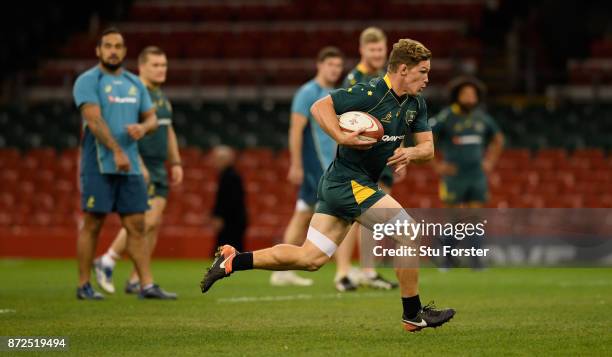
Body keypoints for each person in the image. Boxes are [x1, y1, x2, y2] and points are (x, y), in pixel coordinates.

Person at [201, 39, 455, 332]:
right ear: (402, 69)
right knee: (408, 232)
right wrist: (342, 136)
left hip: (344, 185)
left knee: (310, 258)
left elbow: (428, 150)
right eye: (422, 72)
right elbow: (320, 107)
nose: (427, 79)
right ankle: (413, 313)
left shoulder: (415, 104)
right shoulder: (368, 92)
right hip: (348, 182)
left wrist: (409, 152)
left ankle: (234, 261)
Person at [73, 28, 174, 299]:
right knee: (93, 223)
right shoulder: (88, 81)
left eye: (118, 46)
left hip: (129, 167)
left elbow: (153, 119)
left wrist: (144, 127)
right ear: (98, 50)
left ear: (125, 51)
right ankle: (84, 284)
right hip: (99, 163)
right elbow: (93, 120)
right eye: (108, 46)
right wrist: (117, 151)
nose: (113, 51)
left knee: (137, 225)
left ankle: (146, 284)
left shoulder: (134, 83)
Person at [93, 46, 182, 295]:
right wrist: (137, 163)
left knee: (154, 223)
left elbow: (168, 130)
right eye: (155, 65)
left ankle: (136, 279)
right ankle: (108, 259)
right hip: (141, 164)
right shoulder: (134, 94)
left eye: (163, 65)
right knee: (146, 220)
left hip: (159, 166)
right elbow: (125, 131)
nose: (161, 69)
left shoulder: (162, 97)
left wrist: (175, 162)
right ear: (141, 67)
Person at [270, 47, 344, 287]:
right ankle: (341, 268)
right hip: (315, 165)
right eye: (331, 65)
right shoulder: (307, 92)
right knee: (324, 212)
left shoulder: (334, 93)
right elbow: (295, 129)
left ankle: (282, 271)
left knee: (302, 213)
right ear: (319, 65)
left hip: (329, 164)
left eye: (338, 66)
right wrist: (296, 164)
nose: (335, 69)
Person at [334, 27, 400, 291]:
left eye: (380, 49)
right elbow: (345, 119)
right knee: (350, 216)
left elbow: (395, 116)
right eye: (372, 49)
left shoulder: (387, 79)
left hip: (383, 157)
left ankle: (368, 270)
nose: (377, 53)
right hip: (359, 158)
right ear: (362, 50)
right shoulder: (354, 79)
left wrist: (399, 150)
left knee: (373, 216)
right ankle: (342, 273)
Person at [430, 76, 504, 269]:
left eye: (473, 94)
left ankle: (476, 261)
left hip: (476, 175)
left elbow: (498, 139)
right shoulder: (446, 117)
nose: (470, 97)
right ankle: (446, 259)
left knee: (475, 217)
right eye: (466, 94)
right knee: (454, 218)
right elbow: (426, 139)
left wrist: (490, 161)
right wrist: (437, 165)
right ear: (457, 96)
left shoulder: (482, 118)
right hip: (454, 176)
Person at [211, 146, 247, 253]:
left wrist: (219, 216)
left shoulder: (230, 176)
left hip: (231, 222)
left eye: (218, 159)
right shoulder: (228, 175)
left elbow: (227, 201)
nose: (215, 162)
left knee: (229, 250)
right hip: (233, 220)